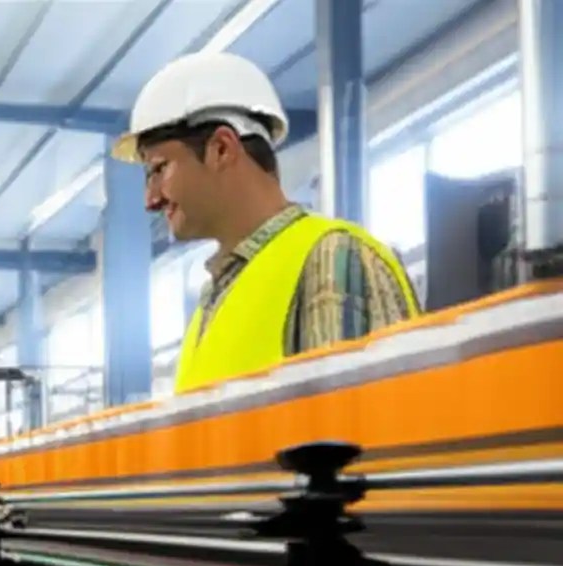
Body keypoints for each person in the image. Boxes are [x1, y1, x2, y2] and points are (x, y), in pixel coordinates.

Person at [110, 52, 421, 394]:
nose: (150, 199)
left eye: (159, 169)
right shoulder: (212, 303)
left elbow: (369, 438)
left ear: (222, 149)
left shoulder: (332, 261)